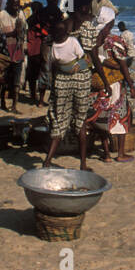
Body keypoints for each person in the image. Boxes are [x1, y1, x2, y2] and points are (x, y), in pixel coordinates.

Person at [42, 12, 95, 170]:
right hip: (79, 83)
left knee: (59, 122)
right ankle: (83, 164)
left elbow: (51, 68)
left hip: (61, 84)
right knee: (80, 121)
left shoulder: (52, 49)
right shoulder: (72, 41)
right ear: (65, 33)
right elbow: (84, 59)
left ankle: (47, 161)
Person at [92, 25, 135, 162]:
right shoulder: (114, 40)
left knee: (103, 115)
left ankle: (106, 155)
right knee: (120, 115)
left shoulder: (92, 41)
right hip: (115, 82)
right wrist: (131, 85)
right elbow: (122, 64)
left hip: (100, 81)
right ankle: (120, 154)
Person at [0, 0, 28, 112]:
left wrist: (24, 48)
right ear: (8, 4)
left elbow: (24, 32)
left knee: (16, 81)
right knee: (4, 79)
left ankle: (14, 105)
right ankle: (3, 102)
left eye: (17, 4)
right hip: (4, 53)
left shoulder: (20, 15)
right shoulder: (0, 15)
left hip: (18, 52)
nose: (16, 7)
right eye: (14, 4)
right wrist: (11, 34)